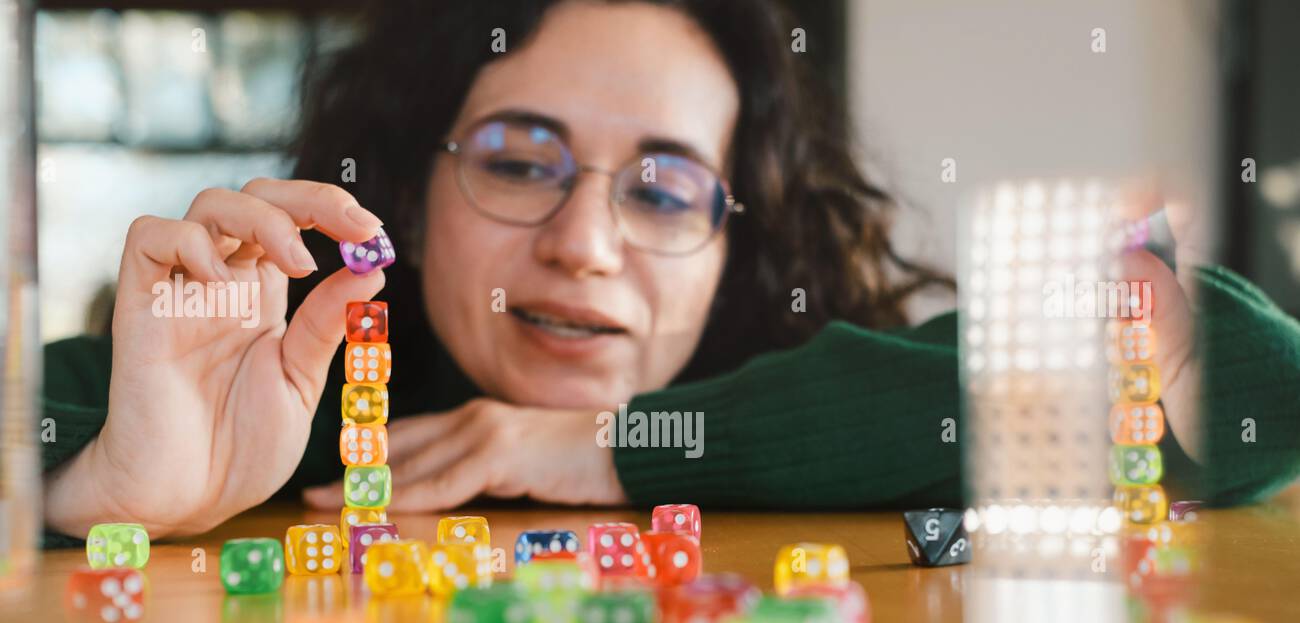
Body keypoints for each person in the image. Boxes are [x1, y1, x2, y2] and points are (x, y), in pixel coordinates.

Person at [39, 0, 1300, 544]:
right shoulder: (276, 388)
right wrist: (94, 482)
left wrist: (628, 444)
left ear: (735, 245)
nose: (585, 242)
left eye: (661, 190)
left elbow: (1251, 385)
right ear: (409, 210)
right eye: (520, 162)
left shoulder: (812, 398)